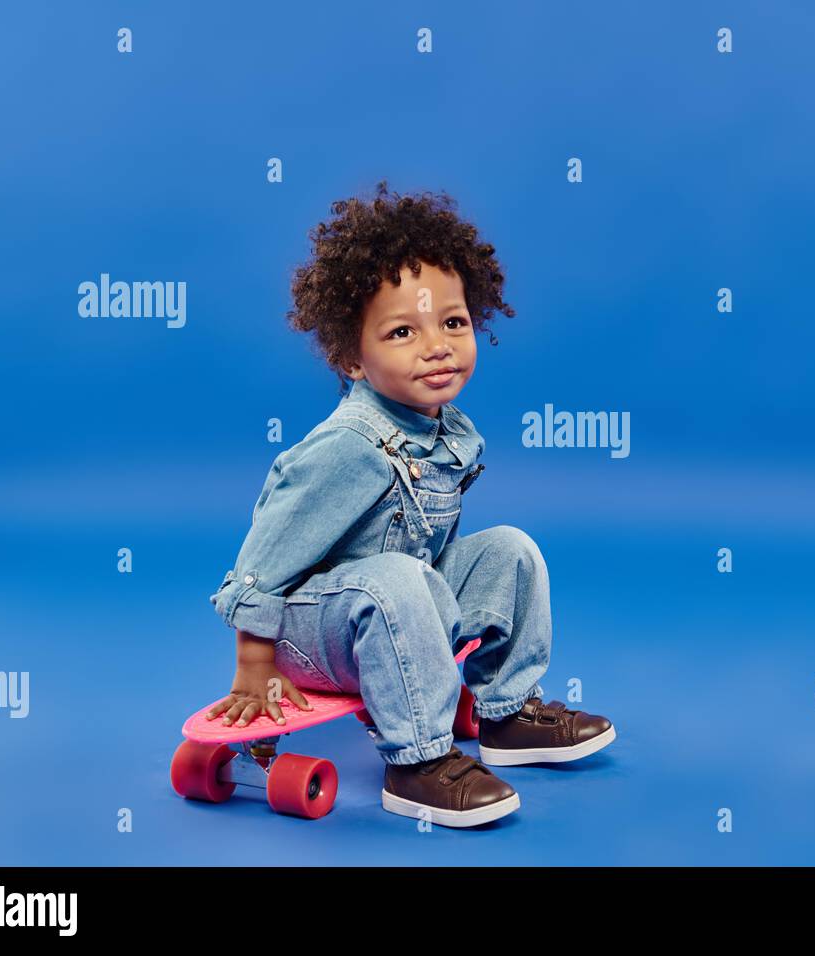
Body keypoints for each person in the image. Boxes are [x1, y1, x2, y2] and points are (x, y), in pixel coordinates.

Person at [206, 180, 615, 827]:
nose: (437, 345)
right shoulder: (349, 447)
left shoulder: (446, 429)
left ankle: (506, 713)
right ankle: (419, 761)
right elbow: (263, 559)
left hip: (401, 605)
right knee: (395, 579)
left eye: (452, 322)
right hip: (312, 635)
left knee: (510, 549)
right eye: (402, 331)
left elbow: (427, 547)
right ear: (352, 357)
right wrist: (252, 668)